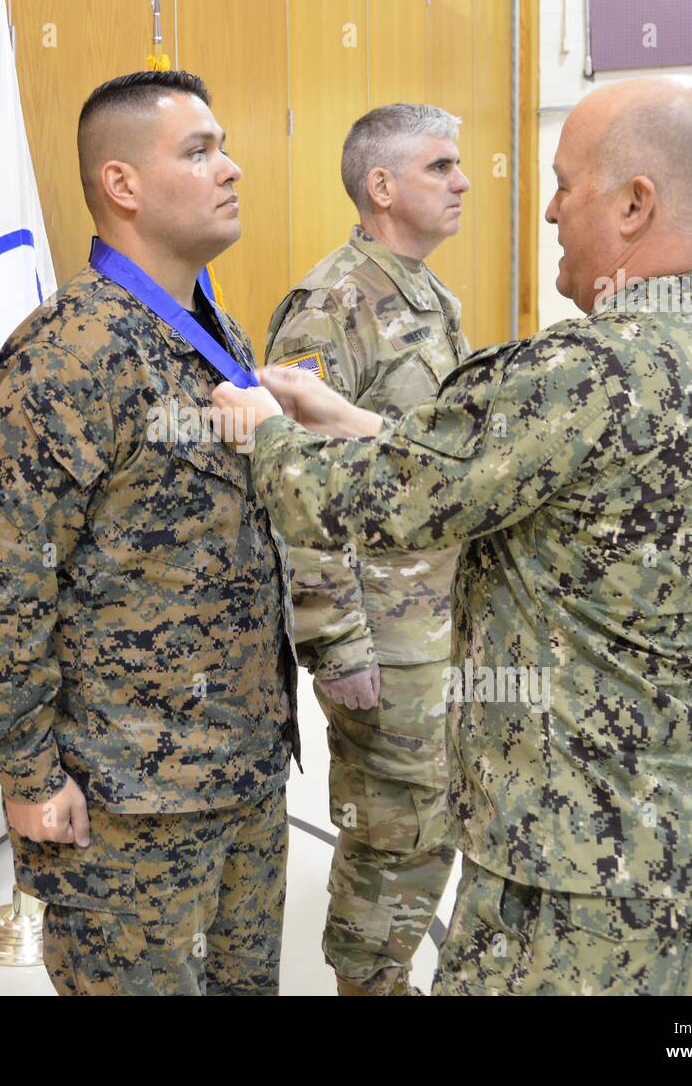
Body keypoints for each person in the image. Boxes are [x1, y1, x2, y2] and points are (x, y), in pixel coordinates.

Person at [216, 76, 692, 996]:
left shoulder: (588, 364)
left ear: (637, 205)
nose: (548, 210)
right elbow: (503, 467)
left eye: (566, 185)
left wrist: (267, 429)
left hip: (581, 862)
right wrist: (345, 421)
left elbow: (397, 493)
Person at [0, 70, 298, 996]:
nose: (233, 168)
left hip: (243, 777)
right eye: (200, 151)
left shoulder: (216, 331)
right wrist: (26, 770)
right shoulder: (70, 353)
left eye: (224, 147)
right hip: (128, 809)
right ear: (122, 184)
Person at [264, 103, 471, 995]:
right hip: (383, 638)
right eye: (441, 167)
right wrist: (334, 641)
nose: (463, 182)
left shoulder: (432, 296)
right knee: (393, 829)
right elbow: (295, 486)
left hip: (440, 626)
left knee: (433, 819)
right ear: (381, 187)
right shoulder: (330, 305)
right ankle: (369, 985)